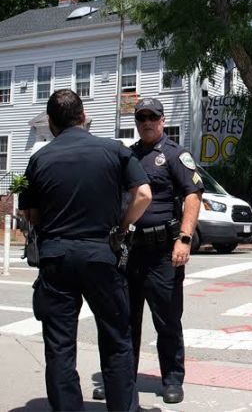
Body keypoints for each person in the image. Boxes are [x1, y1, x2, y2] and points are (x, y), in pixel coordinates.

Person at [19, 89, 152, 412]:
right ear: (83, 116)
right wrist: (121, 228)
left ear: (51, 123)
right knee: (116, 339)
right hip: (101, 255)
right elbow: (144, 195)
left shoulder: (39, 159)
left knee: (60, 346)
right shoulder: (113, 151)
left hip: (56, 258)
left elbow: (30, 215)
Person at [109, 97, 203, 405]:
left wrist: (185, 239)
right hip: (131, 251)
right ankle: (124, 380)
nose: (147, 122)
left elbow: (193, 193)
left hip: (164, 252)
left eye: (152, 116)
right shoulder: (130, 156)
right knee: (126, 319)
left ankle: (172, 379)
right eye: (141, 117)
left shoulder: (175, 155)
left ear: (162, 120)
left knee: (167, 320)